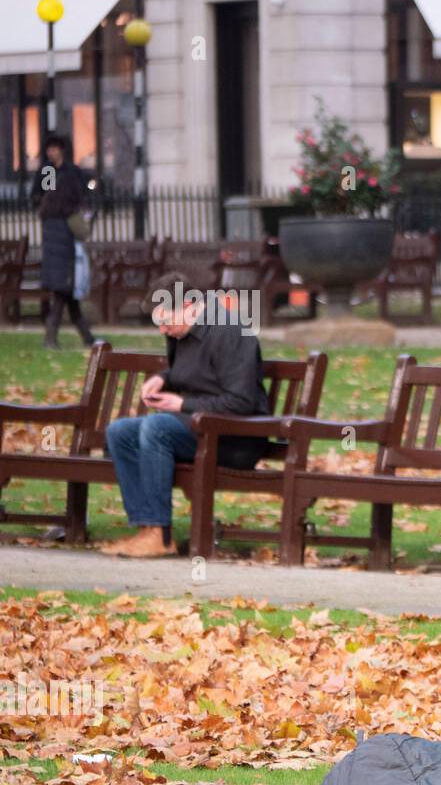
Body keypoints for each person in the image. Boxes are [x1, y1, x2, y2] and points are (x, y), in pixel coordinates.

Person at [102, 272, 270, 558]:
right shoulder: (182, 331)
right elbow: (196, 373)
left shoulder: (231, 331)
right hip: (197, 428)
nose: (162, 330)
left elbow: (241, 402)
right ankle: (147, 530)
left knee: (156, 428)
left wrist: (181, 405)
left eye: (166, 320)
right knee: (120, 432)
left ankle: (160, 534)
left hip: (235, 437)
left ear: (190, 307)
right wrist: (163, 378)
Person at [28, 134, 96, 350]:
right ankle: (76, 337)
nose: (52, 152)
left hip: (67, 230)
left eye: (55, 148)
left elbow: (83, 196)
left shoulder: (72, 171)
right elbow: (42, 196)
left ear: (62, 150)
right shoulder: (48, 171)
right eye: (49, 149)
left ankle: (79, 336)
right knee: (63, 287)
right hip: (54, 229)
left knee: (65, 287)